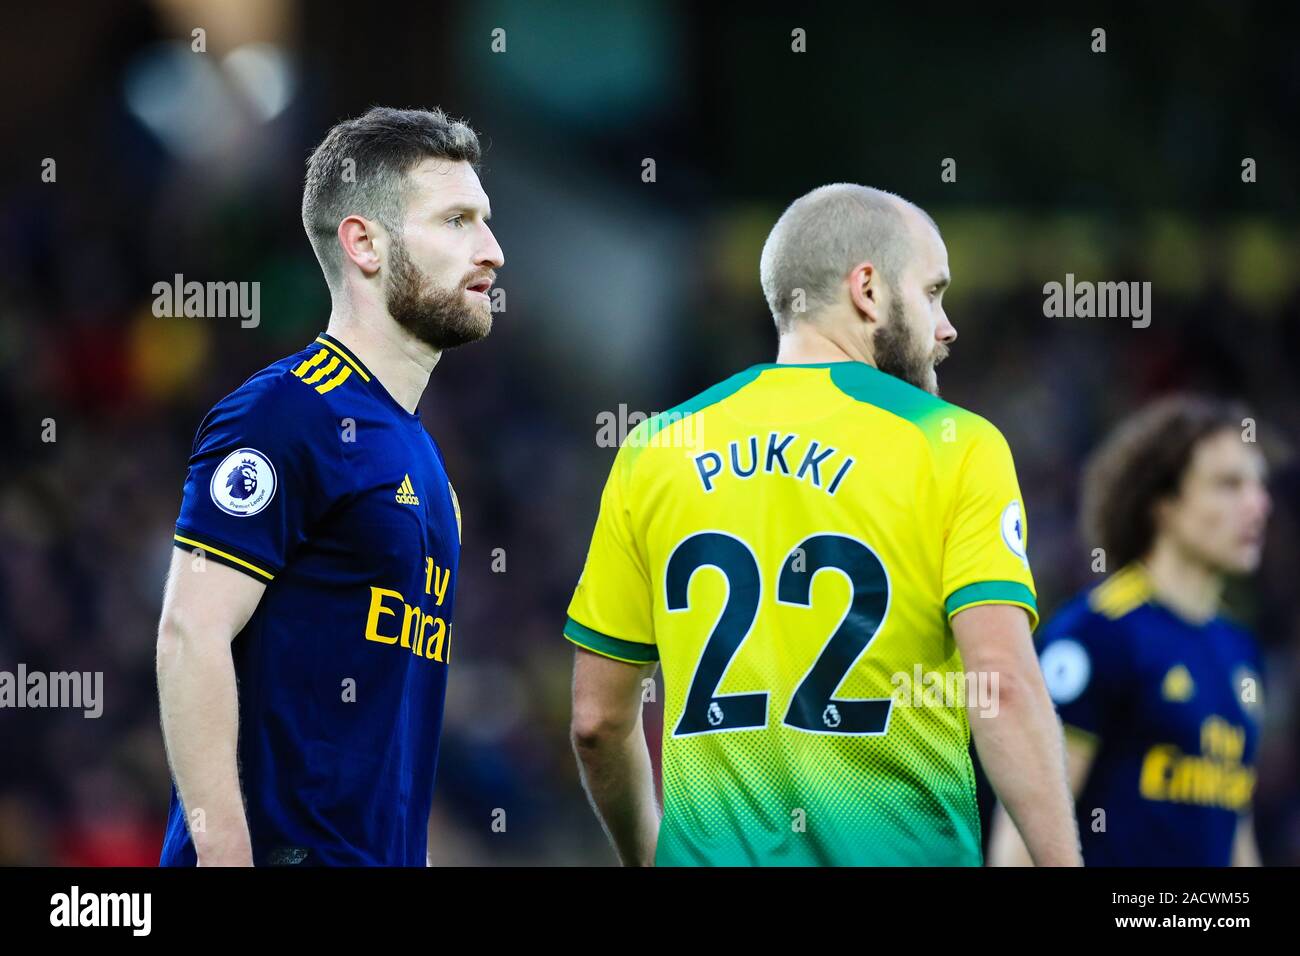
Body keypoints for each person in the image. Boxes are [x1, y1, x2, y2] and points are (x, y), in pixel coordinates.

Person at [565, 184, 1079, 865]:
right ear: (867, 289)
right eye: (933, 293)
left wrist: (649, 856)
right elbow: (1003, 687)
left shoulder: (655, 448)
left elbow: (597, 722)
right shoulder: (956, 443)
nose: (947, 325)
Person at [156, 106, 504, 866]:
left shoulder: (424, 461)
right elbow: (191, 634)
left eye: (486, 221)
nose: (493, 251)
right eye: (457, 221)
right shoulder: (286, 413)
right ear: (364, 243)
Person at [989, 396, 1270, 866]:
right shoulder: (1098, 635)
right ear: (1163, 505)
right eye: (1228, 484)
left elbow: (1232, 826)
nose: (1258, 505)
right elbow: (1024, 830)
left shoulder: (1239, 649)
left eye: (1260, 485)